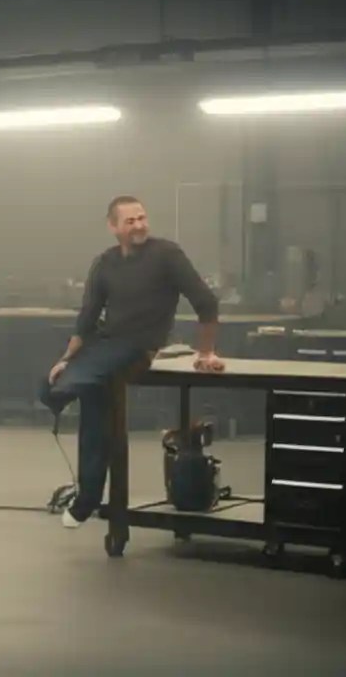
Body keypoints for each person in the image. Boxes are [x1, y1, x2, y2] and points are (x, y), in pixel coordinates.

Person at [39, 195, 225, 528]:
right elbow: (87, 319)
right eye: (130, 221)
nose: (139, 225)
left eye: (142, 218)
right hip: (104, 346)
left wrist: (206, 352)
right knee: (82, 407)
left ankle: (85, 498)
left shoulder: (167, 255)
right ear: (113, 227)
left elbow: (206, 302)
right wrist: (67, 358)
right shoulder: (105, 263)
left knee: (77, 386)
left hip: (141, 347)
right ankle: (87, 500)